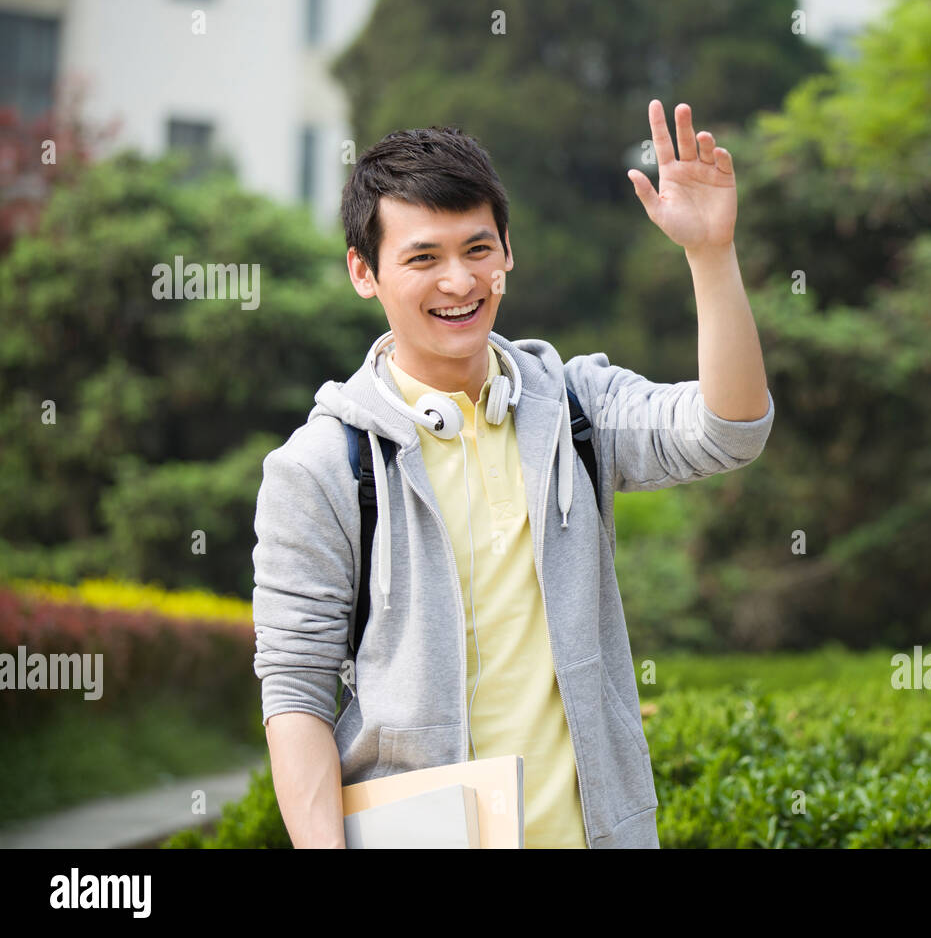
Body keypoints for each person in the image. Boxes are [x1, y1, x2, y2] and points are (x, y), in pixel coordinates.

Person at [251, 100, 774, 849]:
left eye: (478, 249)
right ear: (364, 273)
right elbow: (296, 691)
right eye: (423, 258)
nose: (460, 282)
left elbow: (731, 430)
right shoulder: (322, 467)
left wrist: (710, 254)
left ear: (507, 251)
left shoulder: (575, 405)